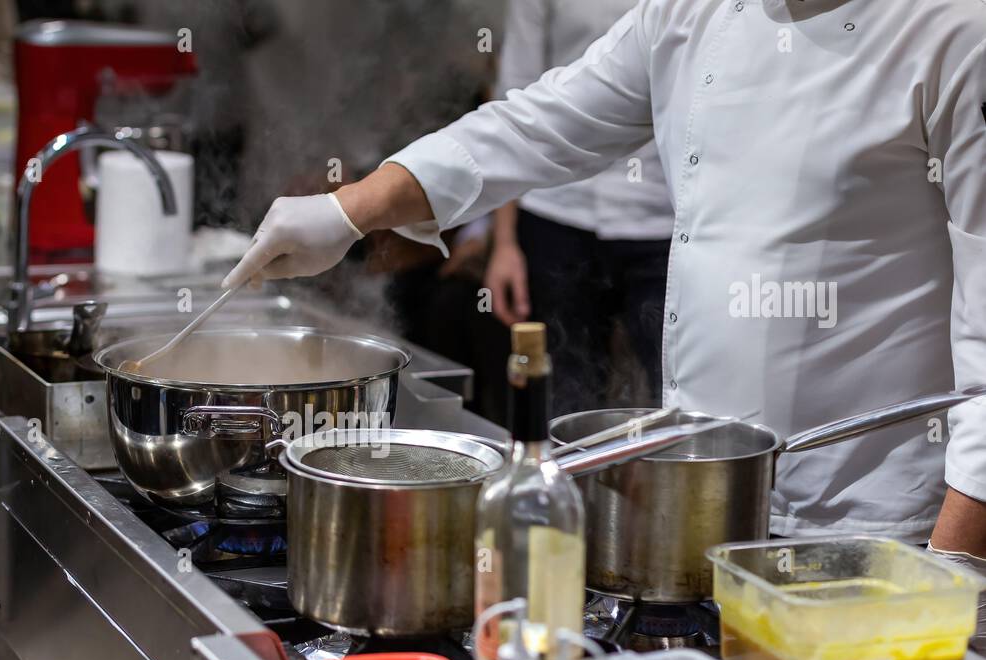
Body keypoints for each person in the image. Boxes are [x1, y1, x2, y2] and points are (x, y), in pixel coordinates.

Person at [222, 0, 986, 616]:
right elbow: (538, 124)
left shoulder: (956, 30)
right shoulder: (692, 14)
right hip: (712, 503)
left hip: (876, 529)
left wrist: (949, 574)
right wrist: (350, 211)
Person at [485, 0, 673, 413]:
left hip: (663, 219)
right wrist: (502, 242)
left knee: (676, 389)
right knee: (562, 396)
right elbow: (513, 98)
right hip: (557, 212)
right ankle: (556, 477)